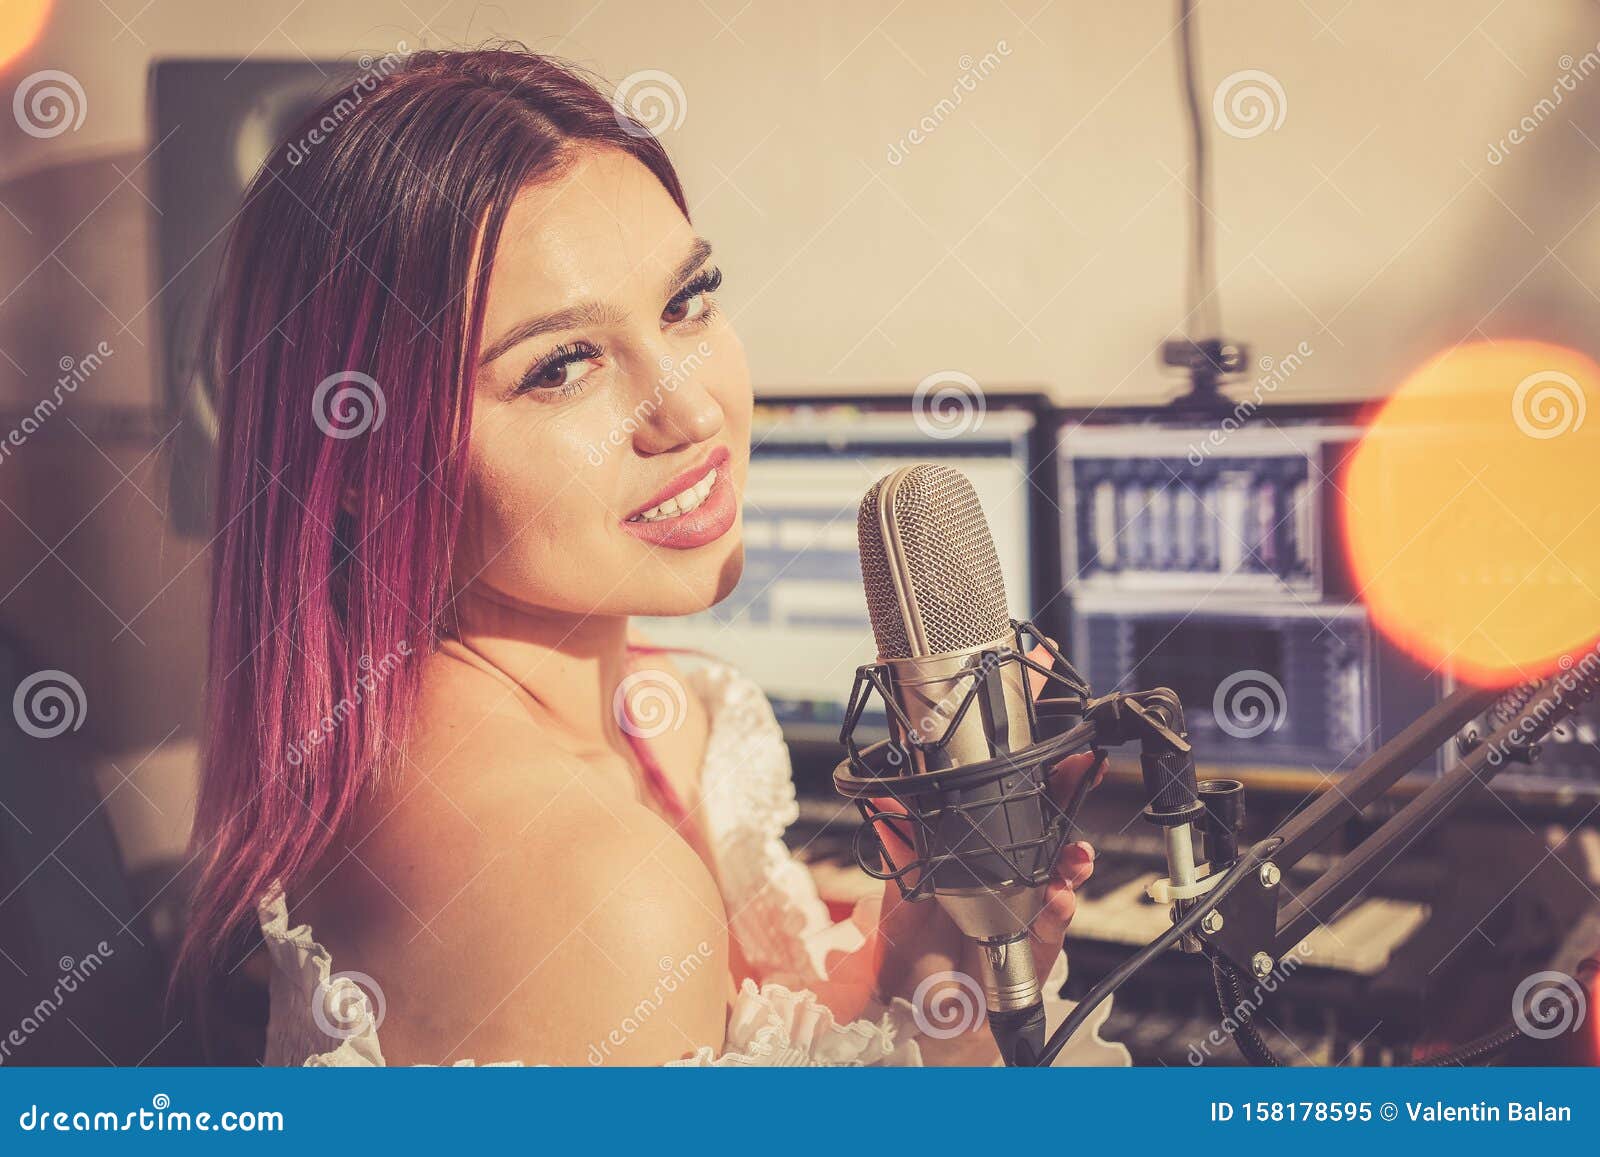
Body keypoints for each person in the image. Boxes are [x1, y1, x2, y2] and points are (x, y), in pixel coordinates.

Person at [174, 47, 1125, 1067]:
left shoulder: (662, 719)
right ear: (357, 459)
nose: (687, 409)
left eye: (685, 302)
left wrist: (933, 950)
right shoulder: (592, 884)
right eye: (561, 365)